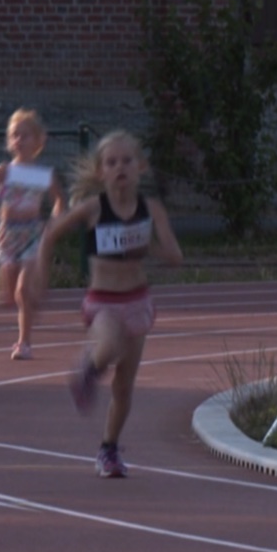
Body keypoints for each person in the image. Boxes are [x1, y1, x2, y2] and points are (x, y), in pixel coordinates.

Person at [37, 130, 182, 478]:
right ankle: (87, 368)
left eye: (127, 161)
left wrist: (146, 247)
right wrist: (41, 278)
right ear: (101, 172)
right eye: (112, 162)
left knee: (123, 385)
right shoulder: (93, 208)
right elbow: (51, 234)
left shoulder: (151, 210)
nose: (120, 168)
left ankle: (109, 449)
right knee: (109, 343)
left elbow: (175, 256)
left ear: (141, 167)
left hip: (137, 301)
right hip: (102, 302)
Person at [0, 108, 65, 360]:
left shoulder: (44, 175)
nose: (19, 141)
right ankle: (33, 298)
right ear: (8, 140)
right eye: (15, 135)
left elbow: (59, 202)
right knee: (6, 297)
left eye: (25, 135)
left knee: (22, 292)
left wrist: (53, 223)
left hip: (32, 234)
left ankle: (24, 342)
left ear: (38, 141)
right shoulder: (4, 171)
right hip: (7, 235)